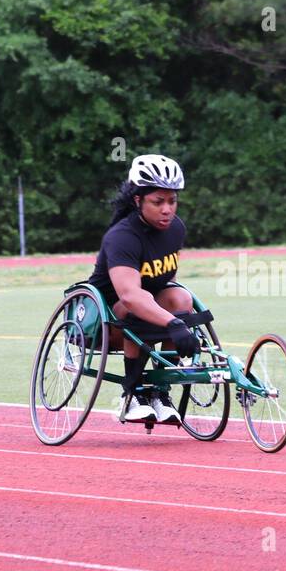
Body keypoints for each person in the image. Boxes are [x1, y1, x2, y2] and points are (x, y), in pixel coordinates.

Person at [85, 154, 200, 425]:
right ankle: (132, 393)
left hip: (150, 315)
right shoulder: (122, 236)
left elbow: (163, 285)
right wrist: (173, 323)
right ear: (138, 200)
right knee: (137, 304)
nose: (167, 210)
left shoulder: (176, 230)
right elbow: (130, 295)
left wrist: (178, 319)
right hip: (107, 324)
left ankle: (161, 393)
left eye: (172, 201)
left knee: (181, 297)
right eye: (157, 202)